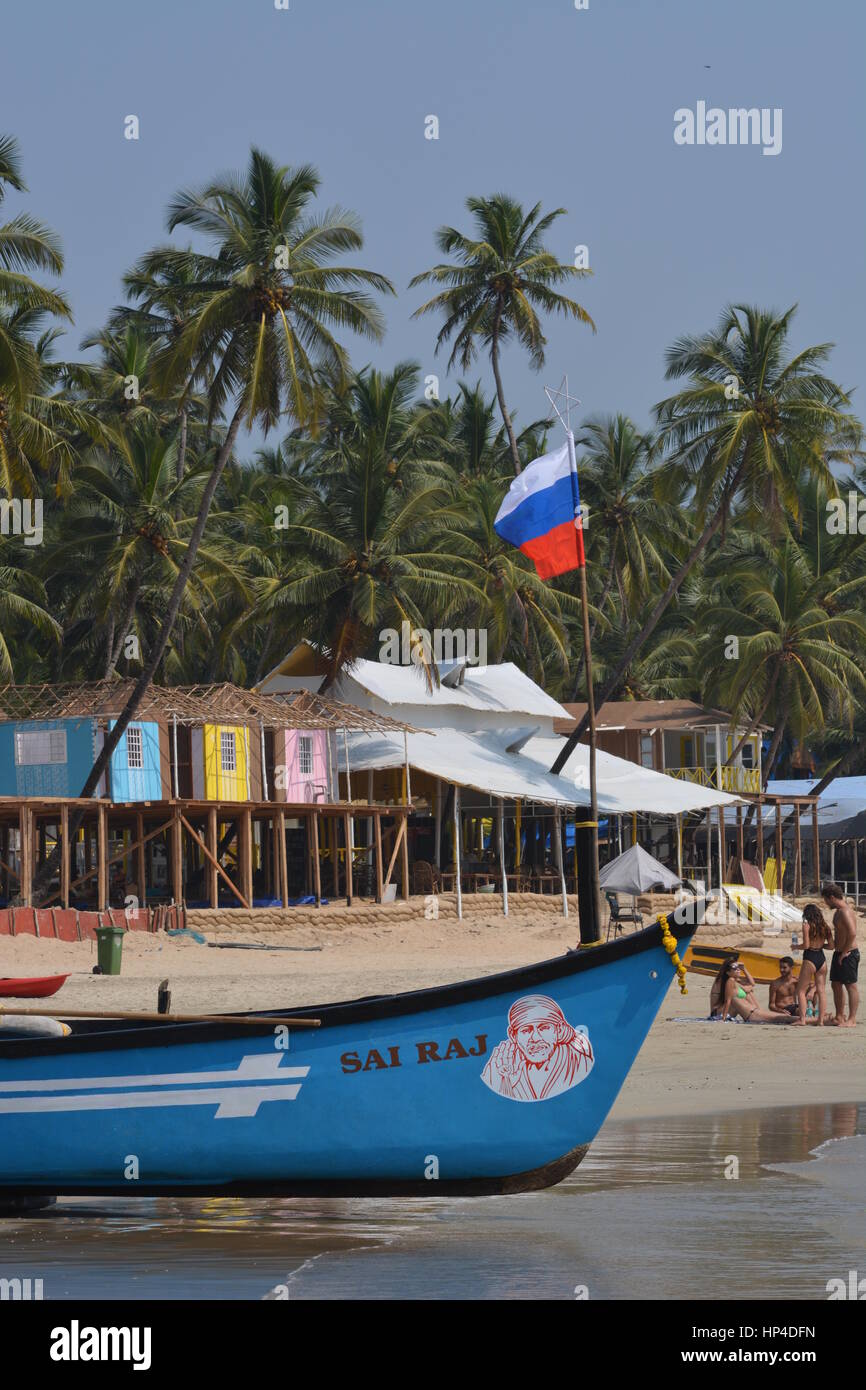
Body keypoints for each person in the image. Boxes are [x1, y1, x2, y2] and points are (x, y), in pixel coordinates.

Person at [821, 883, 860, 1026]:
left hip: (848, 953)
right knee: (836, 984)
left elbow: (852, 933)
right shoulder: (837, 912)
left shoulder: (845, 911)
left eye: (826, 900)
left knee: (850, 986)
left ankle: (852, 1019)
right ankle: (839, 1016)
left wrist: (844, 952)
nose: (825, 903)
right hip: (839, 953)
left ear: (832, 897)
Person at [713, 957, 795, 1024]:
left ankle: (759, 1012)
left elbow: (752, 983)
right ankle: (758, 1013)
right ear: (727, 971)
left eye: (738, 968)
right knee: (746, 992)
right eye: (734, 968)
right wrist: (723, 1018)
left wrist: (744, 969)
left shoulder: (734, 980)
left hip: (739, 1011)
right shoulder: (725, 981)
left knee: (748, 992)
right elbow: (728, 1000)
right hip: (720, 1012)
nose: (738, 969)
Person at [794, 905, 833, 1026]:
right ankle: (820, 1021)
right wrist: (821, 945)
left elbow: (806, 945)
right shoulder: (825, 927)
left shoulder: (807, 926)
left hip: (810, 957)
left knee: (801, 990)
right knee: (821, 991)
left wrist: (795, 946)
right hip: (821, 958)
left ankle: (802, 1019)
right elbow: (831, 946)